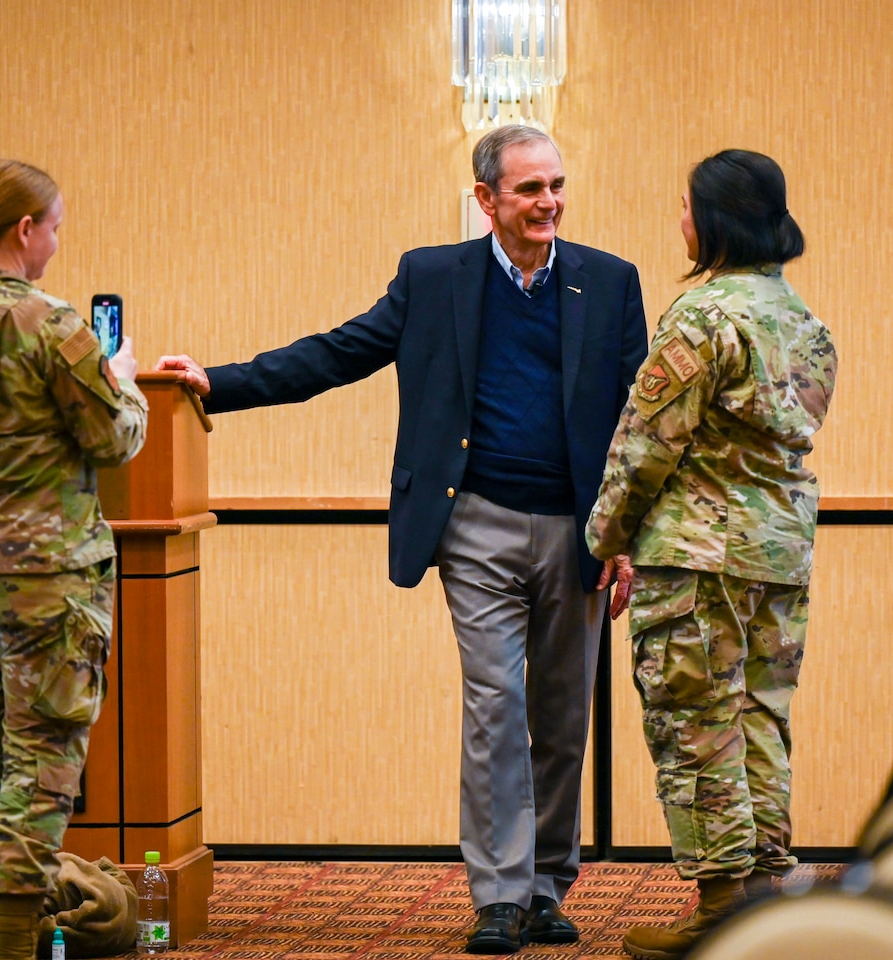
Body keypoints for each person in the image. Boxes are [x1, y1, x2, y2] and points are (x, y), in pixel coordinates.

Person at [157, 124, 647, 954]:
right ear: (486, 200)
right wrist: (222, 383)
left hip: (579, 530)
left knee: (563, 716)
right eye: (529, 189)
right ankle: (498, 893)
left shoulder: (608, 281)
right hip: (476, 525)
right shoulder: (433, 277)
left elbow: (640, 418)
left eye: (556, 185)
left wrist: (627, 534)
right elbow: (338, 354)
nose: (549, 202)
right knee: (496, 705)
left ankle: (544, 886)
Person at [585, 149, 837, 960]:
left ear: (718, 219)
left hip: (698, 556)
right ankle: (761, 899)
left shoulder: (702, 316)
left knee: (696, 723)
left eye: (687, 207)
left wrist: (605, 536)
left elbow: (647, 444)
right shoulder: (803, 319)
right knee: (761, 719)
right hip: (779, 553)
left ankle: (720, 909)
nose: (681, 220)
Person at [0, 159, 148, 960]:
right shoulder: (51, 323)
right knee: (40, 760)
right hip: (45, 576)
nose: (56, 243)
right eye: (56, 227)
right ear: (25, 230)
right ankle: (12, 945)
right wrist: (125, 382)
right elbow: (112, 437)